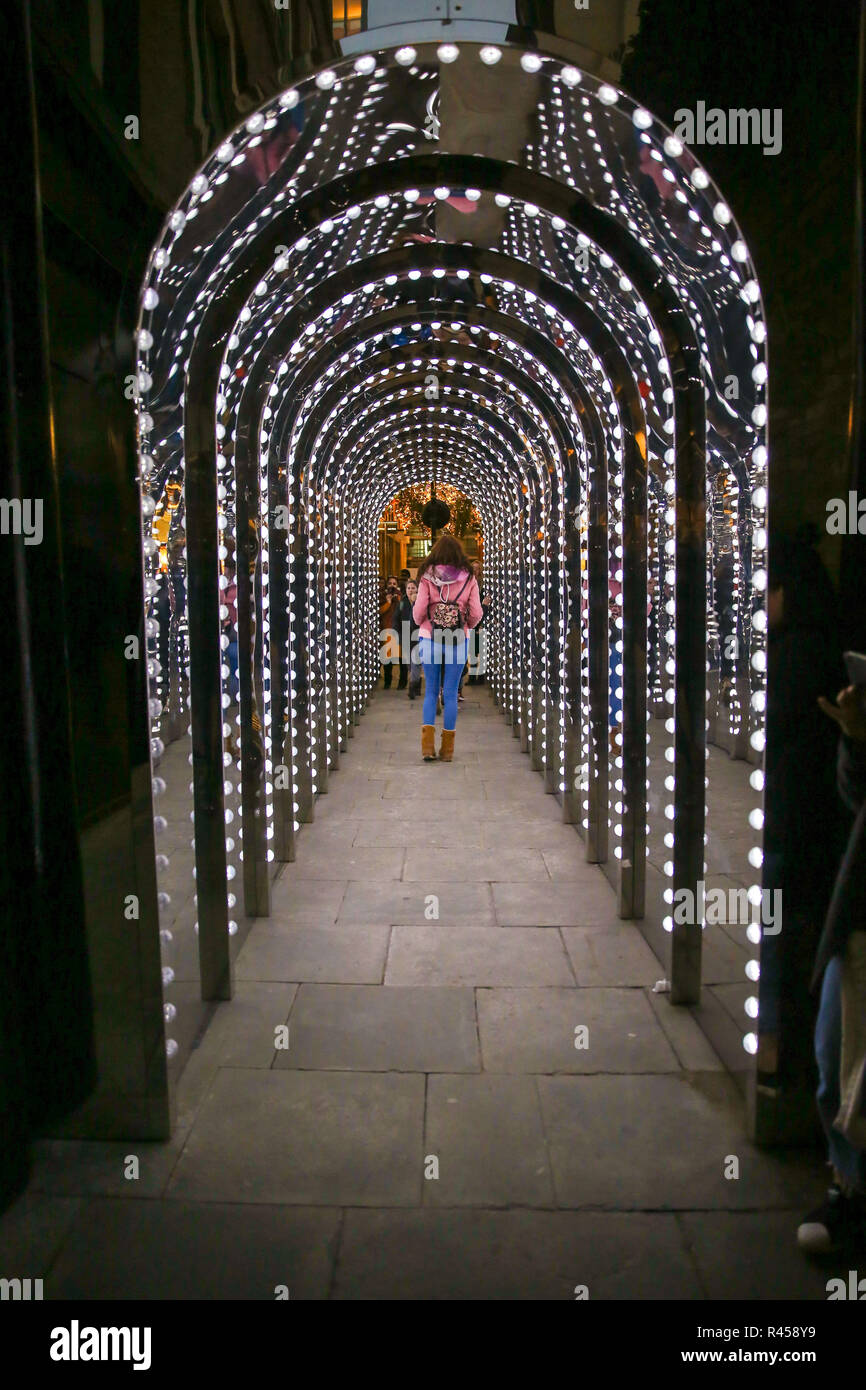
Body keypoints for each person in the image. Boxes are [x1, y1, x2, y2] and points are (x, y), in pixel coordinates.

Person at [797, 680, 866, 1255]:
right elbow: (853, 793)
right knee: (832, 1055)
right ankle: (848, 1184)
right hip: (860, 913)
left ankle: (852, 1196)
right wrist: (855, 736)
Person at [413, 536, 482, 762]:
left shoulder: (426, 577)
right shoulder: (469, 577)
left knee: (431, 692)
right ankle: (447, 751)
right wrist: (464, 626)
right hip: (457, 640)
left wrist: (425, 621)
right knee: (451, 693)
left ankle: (426, 748)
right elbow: (476, 613)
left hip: (430, 638)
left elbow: (418, 611)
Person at [398, 578, 422, 700]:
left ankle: (412, 688)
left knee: (415, 663)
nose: (411, 590)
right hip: (406, 637)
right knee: (410, 665)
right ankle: (416, 684)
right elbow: (396, 618)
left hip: (418, 636)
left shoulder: (422, 602)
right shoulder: (402, 602)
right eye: (409, 588)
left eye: (413, 588)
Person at [379, 575, 401, 689]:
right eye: (390, 583)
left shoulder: (401, 597)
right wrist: (387, 601)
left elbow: (403, 611)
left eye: (394, 584)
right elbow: (379, 612)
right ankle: (387, 681)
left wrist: (397, 599)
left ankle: (401, 683)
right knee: (387, 658)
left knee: (399, 657)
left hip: (399, 631)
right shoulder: (382, 597)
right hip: (386, 629)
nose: (392, 586)